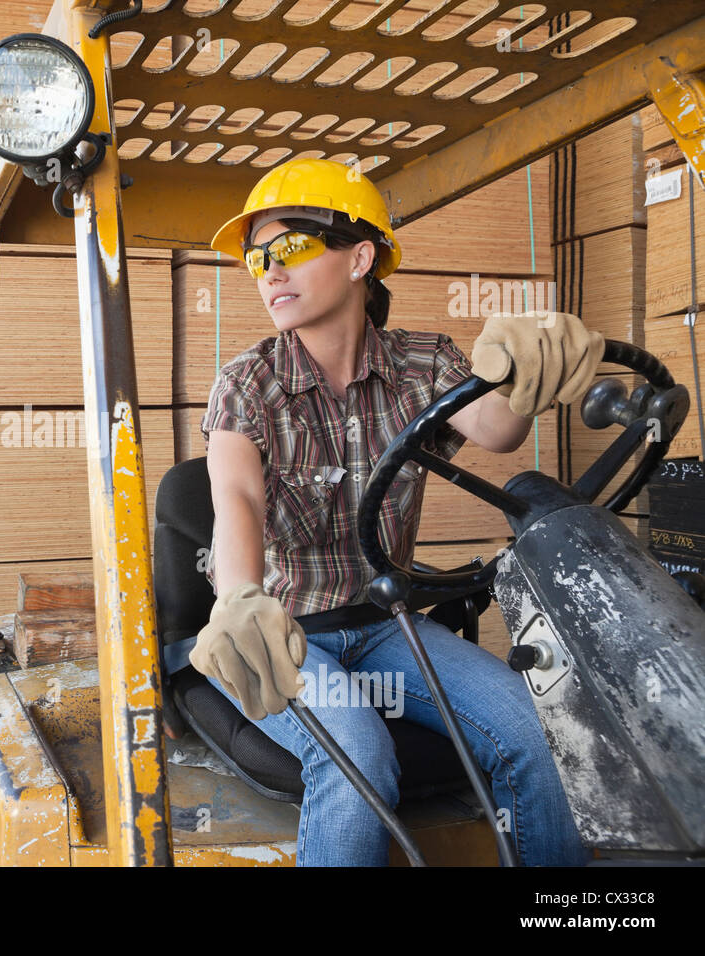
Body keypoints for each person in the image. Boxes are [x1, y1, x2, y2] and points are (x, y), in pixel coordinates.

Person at [189, 157, 596, 866]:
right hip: (283, 633)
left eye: (287, 248)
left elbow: (499, 429)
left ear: (360, 258)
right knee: (358, 756)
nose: (268, 272)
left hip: (385, 625)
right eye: (256, 259)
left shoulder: (423, 363)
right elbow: (238, 500)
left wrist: (524, 360)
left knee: (535, 731)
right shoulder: (245, 384)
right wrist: (240, 596)